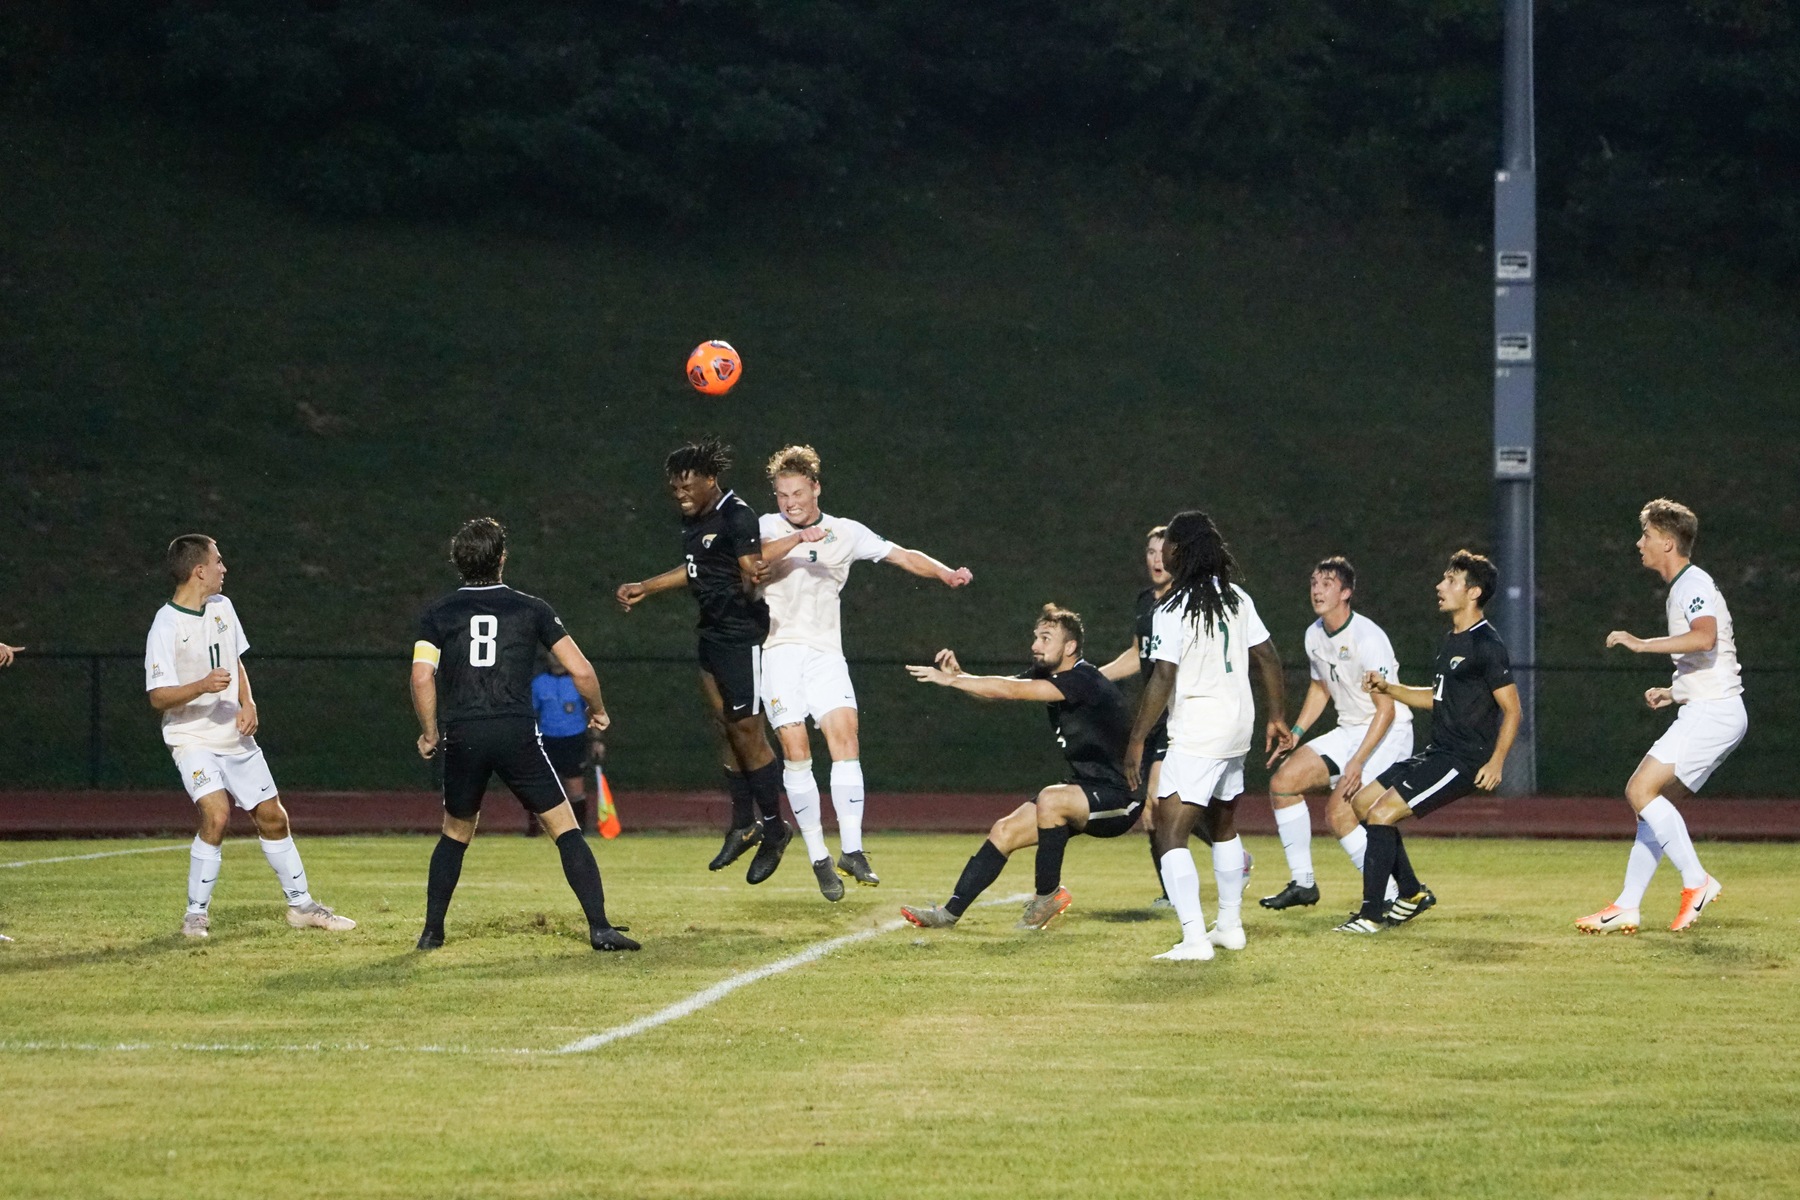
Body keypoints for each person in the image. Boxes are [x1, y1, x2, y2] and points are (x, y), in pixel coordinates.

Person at [757, 444, 973, 900]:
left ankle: (851, 849)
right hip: (778, 652)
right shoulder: (767, 528)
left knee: (846, 737)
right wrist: (798, 538)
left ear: (816, 487)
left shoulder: (845, 532)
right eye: (781, 495)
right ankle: (818, 855)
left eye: (797, 492)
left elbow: (900, 554)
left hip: (825, 654)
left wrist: (945, 573)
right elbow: (756, 560)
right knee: (796, 750)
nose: (790, 502)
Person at [411, 517, 636, 951]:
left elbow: (422, 677)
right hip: (515, 731)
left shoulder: (438, 613)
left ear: (458, 562)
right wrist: (599, 710)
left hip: (465, 733)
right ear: (502, 559)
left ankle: (432, 932)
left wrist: (428, 732)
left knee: (455, 835)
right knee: (566, 829)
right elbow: (581, 669)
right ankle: (600, 927)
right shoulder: (531, 608)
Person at [144, 535, 355, 939]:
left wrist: (249, 703)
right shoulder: (166, 625)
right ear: (199, 570)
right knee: (217, 814)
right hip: (192, 738)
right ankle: (195, 914)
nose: (224, 569)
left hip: (234, 737)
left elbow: (234, 660)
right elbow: (158, 696)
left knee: (274, 818)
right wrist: (202, 686)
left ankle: (302, 906)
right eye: (218, 562)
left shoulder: (223, 608)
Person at [615, 439, 791, 884]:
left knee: (748, 728)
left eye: (687, 485)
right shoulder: (695, 518)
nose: (680, 494)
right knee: (724, 726)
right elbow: (698, 567)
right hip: (711, 632)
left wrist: (754, 581)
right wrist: (647, 586)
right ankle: (742, 822)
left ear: (711, 479)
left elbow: (749, 570)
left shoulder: (738, 515)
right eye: (675, 488)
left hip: (740, 634)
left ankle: (775, 829)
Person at [899, 605, 1140, 930]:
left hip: (1120, 799)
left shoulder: (1082, 679)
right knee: (1005, 830)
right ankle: (947, 914)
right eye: (1036, 637)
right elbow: (999, 691)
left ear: (1070, 647)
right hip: (1086, 790)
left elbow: (1011, 691)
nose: (1035, 645)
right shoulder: (1050, 675)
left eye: (1045, 638)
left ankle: (1048, 896)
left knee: (1051, 799)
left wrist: (951, 682)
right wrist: (961, 676)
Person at [1125, 510, 1291, 961]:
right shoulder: (1237, 597)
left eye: (1170, 545)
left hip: (1200, 729)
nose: (1165, 553)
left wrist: (1137, 739)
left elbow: (1162, 677)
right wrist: (1277, 717)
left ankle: (1195, 938)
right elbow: (1270, 658)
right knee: (1222, 824)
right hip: (1238, 726)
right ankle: (1230, 926)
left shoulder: (1173, 607)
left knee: (1168, 831)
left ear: (1182, 550)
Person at [1335, 550, 1521, 934]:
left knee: (1383, 814)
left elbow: (1513, 710)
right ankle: (1412, 892)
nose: (1440, 586)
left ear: (1473, 593)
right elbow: (1435, 699)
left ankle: (1370, 915)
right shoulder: (1452, 640)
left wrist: (1497, 761)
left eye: (1451, 580)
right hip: (1439, 751)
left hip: (1465, 759)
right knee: (1362, 803)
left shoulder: (1487, 645)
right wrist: (1389, 688)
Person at [1578, 499, 1742, 935]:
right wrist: (1675, 690)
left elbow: (1705, 637)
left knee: (1639, 789)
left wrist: (1640, 643)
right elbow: (1713, 653)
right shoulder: (1687, 585)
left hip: (1714, 712)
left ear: (1667, 543)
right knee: (1652, 808)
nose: (1640, 543)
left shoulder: (1692, 584)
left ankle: (1697, 881)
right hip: (1712, 707)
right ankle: (1627, 906)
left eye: (1647, 535)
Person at [1259, 557, 1412, 911]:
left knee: (1340, 813)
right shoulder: (1314, 634)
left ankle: (1389, 898)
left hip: (1388, 732)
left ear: (1346, 592)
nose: (1317, 589)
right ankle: (1303, 884)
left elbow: (1386, 710)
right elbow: (1320, 688)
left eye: (1327, 583)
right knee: (1283, 782)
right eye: (1314, 582)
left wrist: (1357, 762)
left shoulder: (1368, 637)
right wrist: (1296, 732)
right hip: (1350, 730)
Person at [1097, 526, 1178, 908]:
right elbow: (1137, 654)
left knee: (1157, 803)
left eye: (1163, 551)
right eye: (1150, 551)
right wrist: (1093, 677)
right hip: (1154, 717)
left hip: (1183, 714)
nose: (1156, 558)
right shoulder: (1146, 601)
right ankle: (1172, 889)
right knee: (1156, 808)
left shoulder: (1188, 602)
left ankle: (1181, 887)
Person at [530, 652, 598, 835]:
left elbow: (592, 711)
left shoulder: (578, 681)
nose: (556, 659)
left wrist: (597, 739)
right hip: (547, 740)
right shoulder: (538, 683)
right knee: (540, 786)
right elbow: (531, 714)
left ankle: (580, 828)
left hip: (573, 740)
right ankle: (535, 828)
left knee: (575, 787)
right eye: (552, 655)